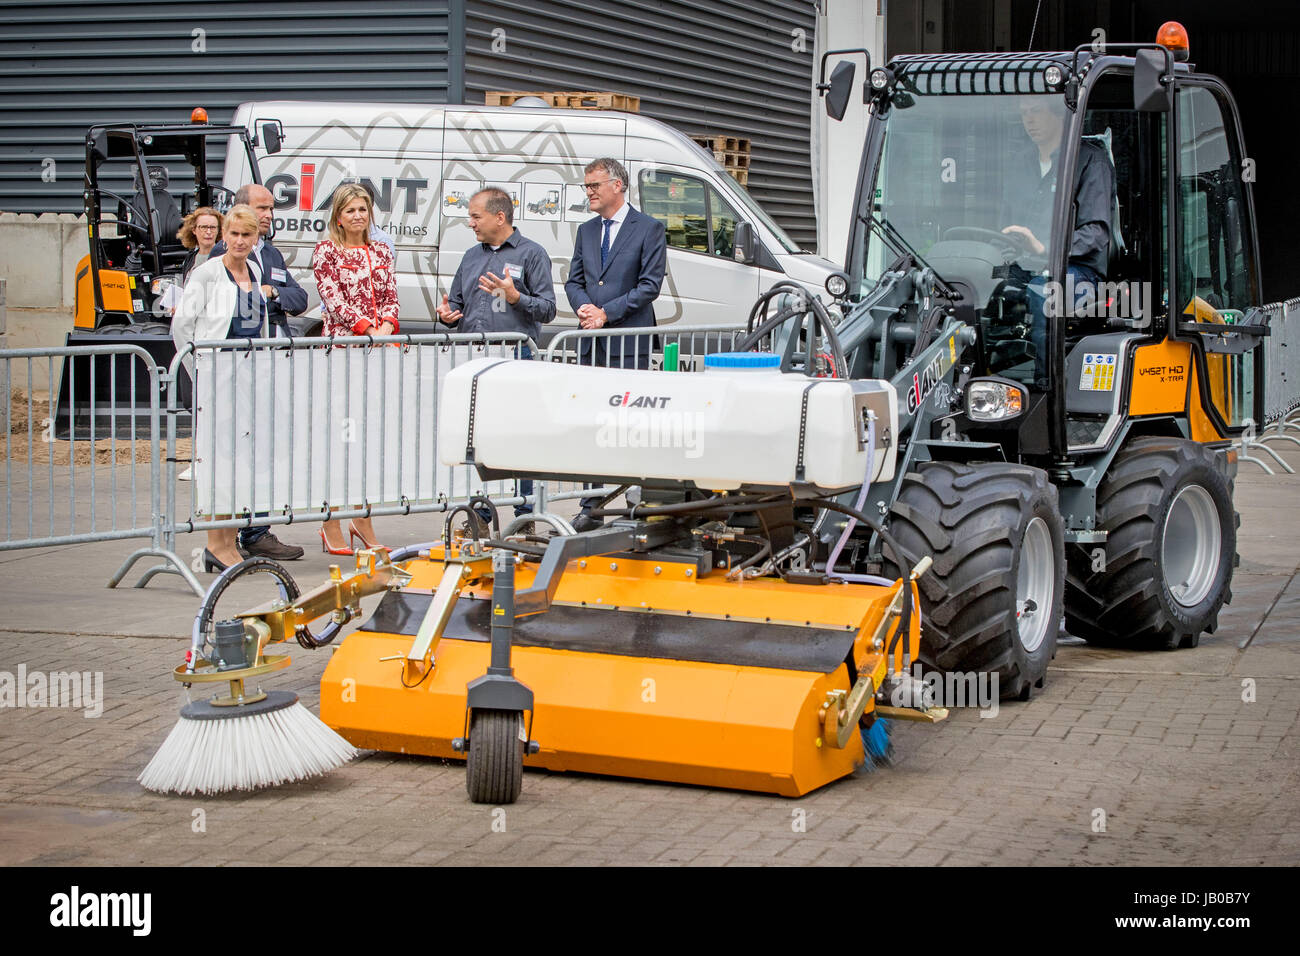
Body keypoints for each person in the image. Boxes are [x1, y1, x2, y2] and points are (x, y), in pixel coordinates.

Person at [436, 187, 556, 524]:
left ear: (499, 217)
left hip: (515, 360)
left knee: (519, 433)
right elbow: (457, 301)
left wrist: (516, 297)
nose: (470, 223)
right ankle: (481, 509)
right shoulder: (472, 256)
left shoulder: (532, 254)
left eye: (476, 216)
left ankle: (526, 512)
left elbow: (547, 310)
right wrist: (449, 313)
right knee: (477, 436)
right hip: (475, 360)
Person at [564, 157, 667, 531]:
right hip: (593, 343)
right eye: (587, 187)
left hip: (629, 340)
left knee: (629, 421)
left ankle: (634, 501)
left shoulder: (649, 229)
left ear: (617, 185)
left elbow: (649, 286)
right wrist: (585, 308)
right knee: (594, 421)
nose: (589, 193)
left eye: (594, 186)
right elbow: (574, 280)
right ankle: (591, 505)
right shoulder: (587, 231)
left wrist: (606, 313)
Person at [170, 204, 272, 572]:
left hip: (248, 379)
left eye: (248, 235)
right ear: (224, 236)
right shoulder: (207, 274)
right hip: (217, 377)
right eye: (235, 234)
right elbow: (182, 327)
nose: (241, 241)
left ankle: (228, 541)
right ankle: (215, 541)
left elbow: (257, 325)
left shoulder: (255, 270)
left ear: (255, 238)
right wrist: (200, 369)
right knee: (217, 460)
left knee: (239, 461)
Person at [210, 184, 309, 561]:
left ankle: (257, 529)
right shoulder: (222, 259)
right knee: (234, 453)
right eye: (261, 208)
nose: (268, 214)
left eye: (270, 208)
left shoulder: (269, 254)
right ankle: (227, 538)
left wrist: (272, 295)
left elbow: (298, 299)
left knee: (267, 449)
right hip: (233, 372)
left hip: (271, 367)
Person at [1001, 95, 1113, 388]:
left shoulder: (1089, 160)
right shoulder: (1019, 162)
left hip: (1077, 270)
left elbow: (1097, 232)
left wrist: (1045, 249)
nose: (1029, 120)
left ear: (1059, 115)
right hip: (1022, 264)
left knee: (1045, 291)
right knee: (968, 291)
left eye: (1036, 111)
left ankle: (1045, 389)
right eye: (1024, 112)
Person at [311, 182, 399, 555]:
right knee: (337, 439)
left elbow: (391, 294)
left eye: (363, 209)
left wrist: (386, 326)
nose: (358, 216)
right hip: (343, 352)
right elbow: (332, 300)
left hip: (378, 353)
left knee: (368, 440)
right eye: (350, 210)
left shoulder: (380, 249)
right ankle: (329, 520)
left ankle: (362, 518)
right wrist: (365, 329)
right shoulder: (326, 251)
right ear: (338, 216)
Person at [177, 207, 223, 282]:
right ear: (194, 230)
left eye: (213, 227)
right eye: (204, 227)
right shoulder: (190, 258)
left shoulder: (225, 258)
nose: (208, 232)